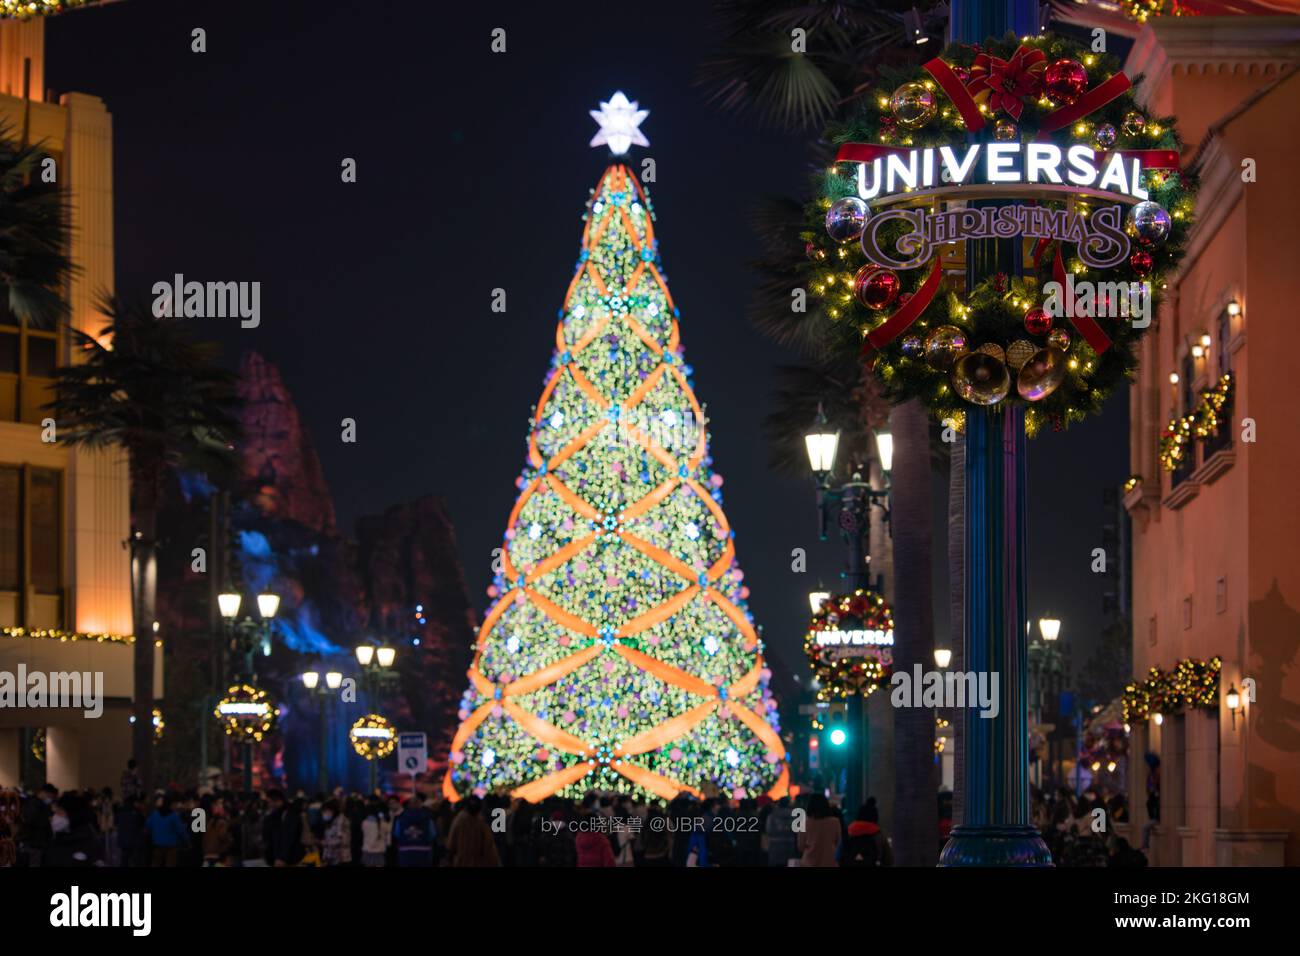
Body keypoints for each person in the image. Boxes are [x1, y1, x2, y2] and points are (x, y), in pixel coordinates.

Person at [445, 796, 500, 867]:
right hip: (479, 863)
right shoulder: (482, 825)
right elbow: (489, 849)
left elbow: (451, 845)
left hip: (460, 862)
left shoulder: (458, 821)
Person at [842, 798, 893, 867]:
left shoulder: (849, 832)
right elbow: (889, 860)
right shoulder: (879, 835)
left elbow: (838, 856)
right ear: (875, 817)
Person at [797, 794, 842, 868]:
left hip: (809, 862)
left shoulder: (804, 823)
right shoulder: (835, 822)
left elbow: (800, 846)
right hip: (830, 862)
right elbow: (838, 842)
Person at [18, 783, 58, 867]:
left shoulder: (44, 804)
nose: (50, 798)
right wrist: (48, 820)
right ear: (43, 792)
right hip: (34, 841)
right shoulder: (32, 804)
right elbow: (31, 820)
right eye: (49, 796)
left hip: (41, 842)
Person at [263, 789, 304, 867]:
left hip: (287, 859)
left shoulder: (289, 814)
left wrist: (282, 858)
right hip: (280, 857)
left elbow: (289, 837)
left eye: (269, 802)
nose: (268, 804)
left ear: (277, 800)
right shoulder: (277, 813)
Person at [144, 795, 188, 866]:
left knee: (156, 863)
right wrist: (186, 841)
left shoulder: (155, 814)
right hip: (171, 846)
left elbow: (147, 826)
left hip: (157, 845)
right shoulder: (174, 816)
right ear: (171, 804)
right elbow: (180, 830)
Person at [393, 797, 436, 867]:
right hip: (424, 851)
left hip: (405, 850)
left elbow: (397, 834)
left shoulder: (400, 818)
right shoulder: (428, 818)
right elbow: (433, 834)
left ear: (408, 805)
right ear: (419, 805)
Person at [765, 797, 798, 866]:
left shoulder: (772, 815)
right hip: (790, 845)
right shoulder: (794, 816)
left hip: (775, 846)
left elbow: (768, 830)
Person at [321, 799, 352, 866]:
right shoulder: (331, 820)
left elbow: (342, 839)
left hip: (340, 856)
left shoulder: (341, 820)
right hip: (331, 856)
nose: (324, 813)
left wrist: (325, 843)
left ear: (333, 810)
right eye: (323, 811)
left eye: (326, 811)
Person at [360, 801, 390, 867]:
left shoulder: (364, 823)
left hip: (368, 850)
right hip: (379, 851)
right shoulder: (382, 823)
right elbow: (388, 829)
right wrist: (382, 817)